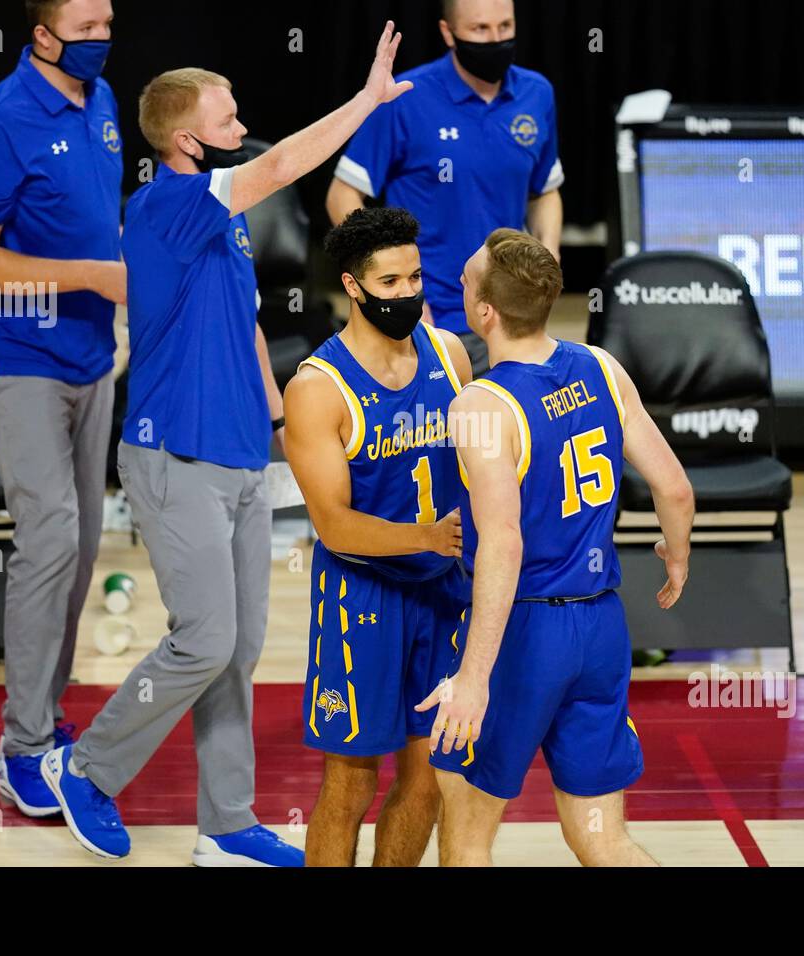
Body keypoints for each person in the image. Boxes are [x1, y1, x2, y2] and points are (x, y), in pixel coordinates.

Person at [40, 23, 415, 865]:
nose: (242, 124)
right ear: (185, 138)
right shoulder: (171, 202)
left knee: (237, 650)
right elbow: (284, 167)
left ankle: (227, 823)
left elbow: (244, 323)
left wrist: (280, 418)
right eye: (227, 114)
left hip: (243, 454)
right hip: (175, 456)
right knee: (204, 639)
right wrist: (365, 100)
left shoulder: (224, 222)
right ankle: (88, 767)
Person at [419, 229, 695, 866]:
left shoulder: (481, 406)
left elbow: (503, 546)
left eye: (465, 279)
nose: (457, 285)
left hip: (522, 633)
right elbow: (675, 489)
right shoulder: (601, 368)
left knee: (466, 833)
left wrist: (474, 678)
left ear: (484, 312)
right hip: (601, 627)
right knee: (601, 837)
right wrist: (675, 555)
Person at [0, 0, 125, 818]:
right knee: (50, 534)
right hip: (17, 357)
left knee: (85, 546)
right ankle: (20, 747)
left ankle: (46, 714)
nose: (102, 40)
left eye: (108, 25)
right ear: (42, 34)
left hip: (93, 356)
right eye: (86, 28)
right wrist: (91, 276)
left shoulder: (107, 101)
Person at [284, 206, 473, 866]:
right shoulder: (316, 388)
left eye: (416, 277)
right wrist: (426, 536)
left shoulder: (448, 355)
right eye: (390, 282)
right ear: (353, 286)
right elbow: (332, 523)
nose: (408, 293)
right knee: (351, 784)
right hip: (361, 599)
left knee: (428, 778)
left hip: (442, 593)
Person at [325, 0, 563, 374]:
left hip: (510, 317)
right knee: (441, 432)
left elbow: (545, 190)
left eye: (504, 27)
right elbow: (342, 194)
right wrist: (394, 288)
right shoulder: (405, 95)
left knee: (513, 427)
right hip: (430, 318)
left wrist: (549, 255)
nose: (495, 39)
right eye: (480, 30)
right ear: (448, 33)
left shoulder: (537, 93)